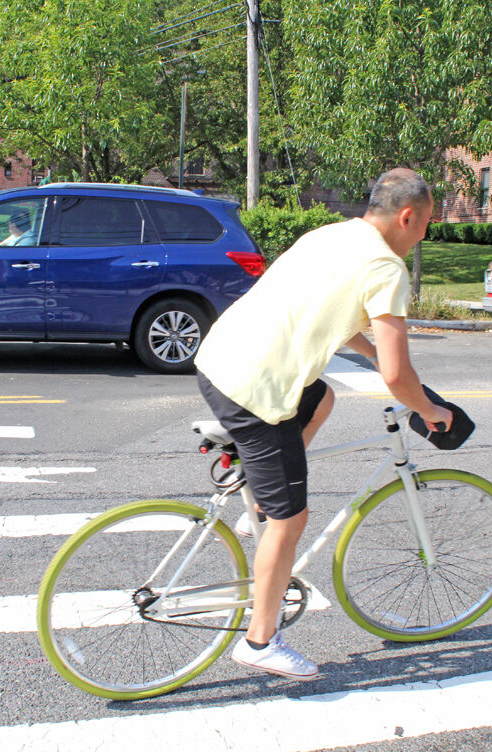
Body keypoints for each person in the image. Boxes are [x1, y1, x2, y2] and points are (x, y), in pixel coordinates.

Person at [194, 168, 453, 680]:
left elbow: (334, 319)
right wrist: (429, 410)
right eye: (424, 226)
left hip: (219, 360)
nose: (422, 236)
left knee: (322, 397)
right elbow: (400, 376)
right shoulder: (386, 268)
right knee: (290, 523)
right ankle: (260, 641)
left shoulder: (331, 234)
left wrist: (375, 355)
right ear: (407, 216)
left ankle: (256, 498)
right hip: (257, 391)